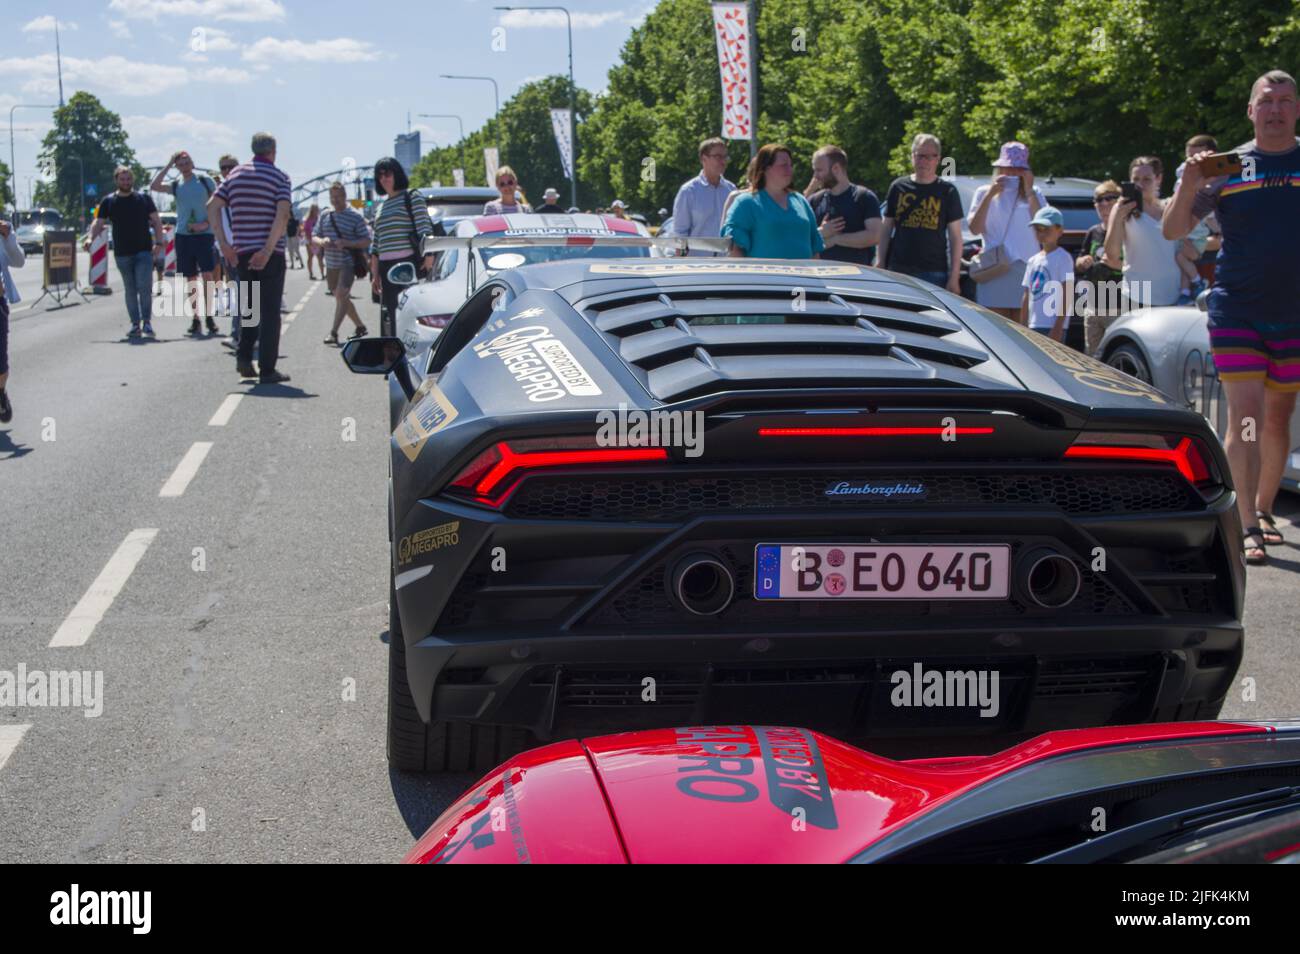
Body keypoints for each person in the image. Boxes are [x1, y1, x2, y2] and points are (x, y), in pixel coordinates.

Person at [1164, 69, 1300, 565]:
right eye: (1267, 101)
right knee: (1246, 415)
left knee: (1279, 418)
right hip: (1238, 309)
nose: (1276, 109)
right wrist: (1189, 182)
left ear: (1297, 108)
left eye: (1286, 100)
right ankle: (1245, 522)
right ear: (1251, 110)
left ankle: (1264, 509)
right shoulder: (1229, 166)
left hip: (1295, 313)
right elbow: (1173, 229)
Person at [208, 131, 292, 385]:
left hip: (242, 253)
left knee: (249, 309)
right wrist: (266, 250)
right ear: (273, 151)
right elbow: (282, 215)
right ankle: (267, 369)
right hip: (270, 255)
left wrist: (226, 245)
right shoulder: (279, 177)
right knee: (270, 312)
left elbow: (212, 206)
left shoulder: (235, 175)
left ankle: (244, 358)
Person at [967, 142, 1045, 319]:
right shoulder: (983, 191)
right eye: (1008, 168)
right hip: (994, 267)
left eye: (1018, 169)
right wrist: (991, 194)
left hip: (1026, 268)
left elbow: (1042, 228)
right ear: (999, 168)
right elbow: (974, 229)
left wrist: (1029, 190)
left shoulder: (1035, 193)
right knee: (995, 328)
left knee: (1023, 330)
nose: (1012, 173)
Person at [877, 133, 964, 292]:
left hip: (934, 271)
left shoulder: (948, 191)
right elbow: (886, 229)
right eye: (920, 156)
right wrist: (880, 262)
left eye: (931, 156)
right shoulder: (898, 187)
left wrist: (954, 277)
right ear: (912, 157)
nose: (924, 161)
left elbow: (956, 237)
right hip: (898, 269)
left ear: (938, 159)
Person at [89, 166, 165, 338]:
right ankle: (135, 325)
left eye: (128, 179)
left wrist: (159, 242)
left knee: (144, 288)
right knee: (130, 290)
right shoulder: (108, 201)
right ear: (116, 180)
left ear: (132, 180)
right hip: (122, 253)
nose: (126, 182)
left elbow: (157, 221)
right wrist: (90, 239)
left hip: (143, 252)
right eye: (122, 179)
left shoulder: (144, 199)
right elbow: (98, 223)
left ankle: (147, 323)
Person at [149, 151, 219, 336]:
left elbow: (218, 204)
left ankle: (209, 315)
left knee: (207, 275)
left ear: (192, 163)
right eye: (180, 163)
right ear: (177, 167)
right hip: (183, 235)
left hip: (204, 234)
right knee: (190, 278)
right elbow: (154, 186)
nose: (184, 165)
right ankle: (196, 318)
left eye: (187, 162)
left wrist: (206, 224)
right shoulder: (176, 185)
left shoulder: (205, 181)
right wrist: (169, 162)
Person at [1103, 156, 1181, 311]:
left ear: (1158, 179)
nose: (1140, 184)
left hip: (1172, 294)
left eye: (1147, 179)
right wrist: (1118, 217)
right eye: (1136, 179)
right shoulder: (1122, 210)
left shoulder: (1169, 208)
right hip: (1136, 296)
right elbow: (1111, 254)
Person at [369, 156, 434, 337]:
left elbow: (424, 228)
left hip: (408, 266)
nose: (384, 178)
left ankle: (412, 354)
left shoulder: (411, 196)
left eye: (388, 173)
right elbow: (376, 244)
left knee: (410, 313)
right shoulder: (381, 206)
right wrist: (374, 274)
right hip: (385, 268)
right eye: (380, 175)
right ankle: (392, 355)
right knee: (390, 315)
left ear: (396, 173)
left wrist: (429, 256)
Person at [722, 144, 824, 259]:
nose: (789, 169)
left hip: (803, 276)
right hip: (765, 276)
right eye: (783, 165)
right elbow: (734, 249)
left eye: (790, 165)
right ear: (765, 168)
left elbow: (815, 248)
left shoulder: (800, 201)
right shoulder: (746, 203)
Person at [804, 144, 881, 267]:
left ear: (836, 168)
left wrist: (836, 239)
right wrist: (822, 233)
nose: (815, 176)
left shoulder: (864, 197)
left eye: (819, 170)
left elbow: (874, 236)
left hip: (856, 277)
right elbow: (800, 239)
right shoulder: (815, 200)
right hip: (820, 277)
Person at [315, 181, 371, 345]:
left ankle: (333, 333)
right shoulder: (325, 215)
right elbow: (314, 235)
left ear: (345, 196)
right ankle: (360, 326)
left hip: (348, 263)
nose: (335, 200)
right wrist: (322, 241)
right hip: (331, 263)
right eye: (332, 197)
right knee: (340, 297)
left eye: (338, 197)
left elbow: (367, 240)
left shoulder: (355, 216)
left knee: (341, 294)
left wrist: (347, 243)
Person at [1074, 180, 1125, 355]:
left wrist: (1116, 264)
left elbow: (1142, 264)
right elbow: (1079, 263)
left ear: (1119, 202)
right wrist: (1082, 262)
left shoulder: (1129, 230)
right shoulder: (1093, 231)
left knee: (1117, 355)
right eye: (1099, 200)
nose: (1103, 203)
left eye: (1109, 198)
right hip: (1093, 305)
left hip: (1120, 306)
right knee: (1092, 358)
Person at [672, 137, 736, 254]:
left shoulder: (731, 190)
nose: (723, 161)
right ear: (703, 158)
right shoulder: (689, 191)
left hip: (726, 264)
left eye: (725, 156)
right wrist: (681, 264)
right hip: (697, 265)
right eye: (718, 156)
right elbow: (680, 234)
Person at [1019, 206, 1074, 342]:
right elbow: (1027, 294)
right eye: (1038, 229)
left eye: (1046, 229)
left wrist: (1058, 326)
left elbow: (1068, 292)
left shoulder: (1064, 258)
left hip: (1052, 325)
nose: (1041, 233)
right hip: (1033, 325)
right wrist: (1021, 325)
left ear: (1059, 230)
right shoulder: (1032, 260)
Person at [0, 215, 25, 422]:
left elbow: (19, 261)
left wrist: (8, 238)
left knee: (0, 361)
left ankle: (1, 392)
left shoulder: (3, 231)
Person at [303, 203, 322, 280]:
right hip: (309, 240)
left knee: (319, 257)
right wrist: (310, 241)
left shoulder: (319, 219)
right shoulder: (308, 219)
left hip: (317, 240)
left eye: (317, 209)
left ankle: (322, 273)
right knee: (310, 257)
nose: (317, 211)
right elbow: (306, 231)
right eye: (315, 209)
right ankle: (311, 273)